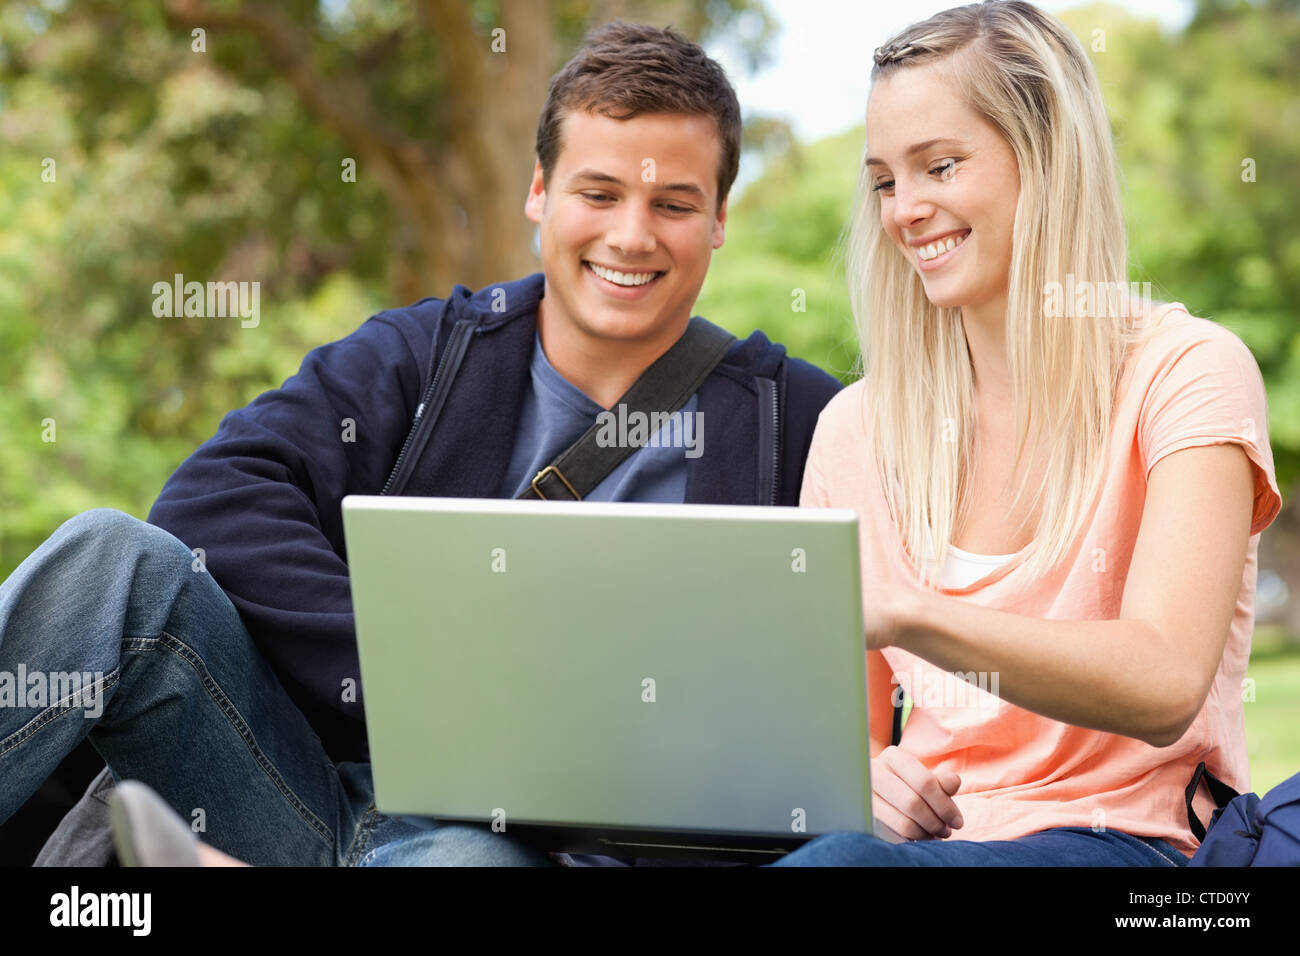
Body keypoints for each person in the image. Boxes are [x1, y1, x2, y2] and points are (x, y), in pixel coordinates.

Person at [0, 21, 842, 866]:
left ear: (721, 218)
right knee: (109, 560)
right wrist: (411, 673)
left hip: (523, 850)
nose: (631, 234)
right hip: (293, 793)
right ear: (539, 193)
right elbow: (211, 498)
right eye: (599, 192)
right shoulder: (424, 354)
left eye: (673, 204)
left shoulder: (799, 419)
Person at [769, 0, 1281, 866]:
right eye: (887, 180)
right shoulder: (856, 429)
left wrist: (913, 614)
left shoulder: (1188, 372)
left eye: (941, 166)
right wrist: (870, 776)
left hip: (1129, 841)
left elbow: (1162, 680)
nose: (905, 210)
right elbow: (839, 735)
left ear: (1046, 158)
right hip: (915, 852)